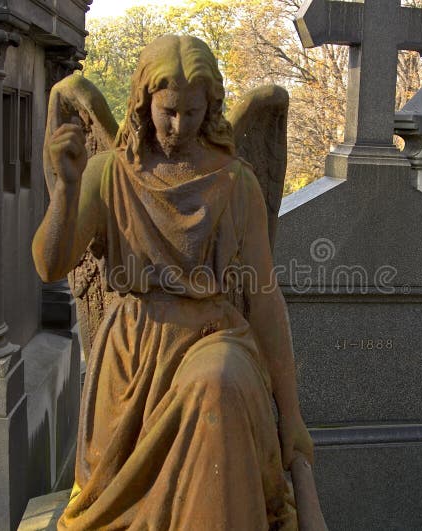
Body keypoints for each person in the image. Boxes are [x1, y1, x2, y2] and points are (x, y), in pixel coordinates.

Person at [32, 34, 314, 530]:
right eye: (168, 112)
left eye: (192, 112)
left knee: (217, 385)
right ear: (144, 101)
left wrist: (290, 415)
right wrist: (66, 188)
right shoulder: (107, 173)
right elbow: (50, 266)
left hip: (214, 336)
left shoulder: (237, 182)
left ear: (210, 109)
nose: (179, 125)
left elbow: (265, 300)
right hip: (133, 354)